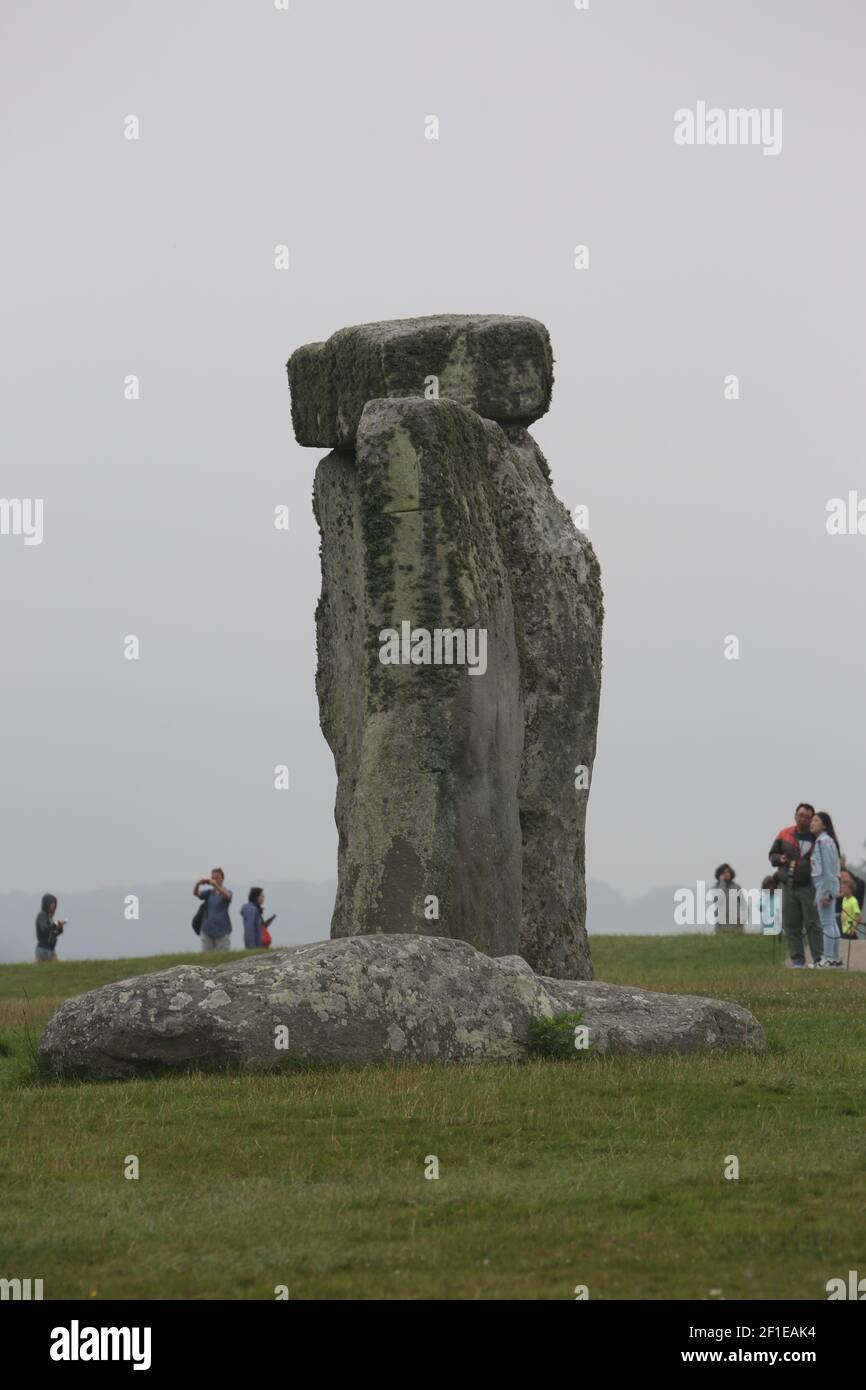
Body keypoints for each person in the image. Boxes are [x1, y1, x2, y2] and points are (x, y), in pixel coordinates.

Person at [769, 802, 822, 968]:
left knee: (813, 923)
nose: (803, 819)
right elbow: (772, 855)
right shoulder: (784, 834)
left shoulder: (819, 837)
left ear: (812, 819)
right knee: (791, 924)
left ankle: (819, 959)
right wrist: (780, 859)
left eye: (807, 817)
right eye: (801, 815)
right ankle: (798, 960)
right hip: (788, 884)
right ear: (795, 816)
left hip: (809, 886)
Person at [811, 811, 842, 968]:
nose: (812, 823)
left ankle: (828, 959)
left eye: (815, 820)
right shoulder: (825, 842)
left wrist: (827, 893)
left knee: (827, 924)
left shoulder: (824, 842)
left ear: (824, 824)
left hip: (825, 886)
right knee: (832, 923)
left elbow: (828, 870)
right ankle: (835, 958)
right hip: (824, 886)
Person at [192, 868, 234, 951]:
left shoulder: (227, 892)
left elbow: (228, 896)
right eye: (213, 878)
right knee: (206, 957)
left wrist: (216, 885)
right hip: (207, 929)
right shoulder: (209, 893)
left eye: (217, 877)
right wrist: (198, 884)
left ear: (222, 878)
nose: (215, 880)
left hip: (223, 930)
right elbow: (196, 893)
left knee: (223, 956)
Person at [710, 864, 745, 933]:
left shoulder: (737, 887)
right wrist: (722, 884)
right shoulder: (716, 887)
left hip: (736, 923)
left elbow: (743, 904)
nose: (727, 874)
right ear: (720, 875)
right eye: (724, 873)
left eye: (728, 872)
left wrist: (743, 918)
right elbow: (717, 900)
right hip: (721, 923)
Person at [35, 894, 66, 962]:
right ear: (46, 903)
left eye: (54, 903)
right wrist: (55, 924)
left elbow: (52, 934)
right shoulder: (42, 915)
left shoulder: (49, 918)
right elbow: (44, 928)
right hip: (44, 950)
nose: (54, 905)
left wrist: (60, 929)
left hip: (49, 949)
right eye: (52, 903)